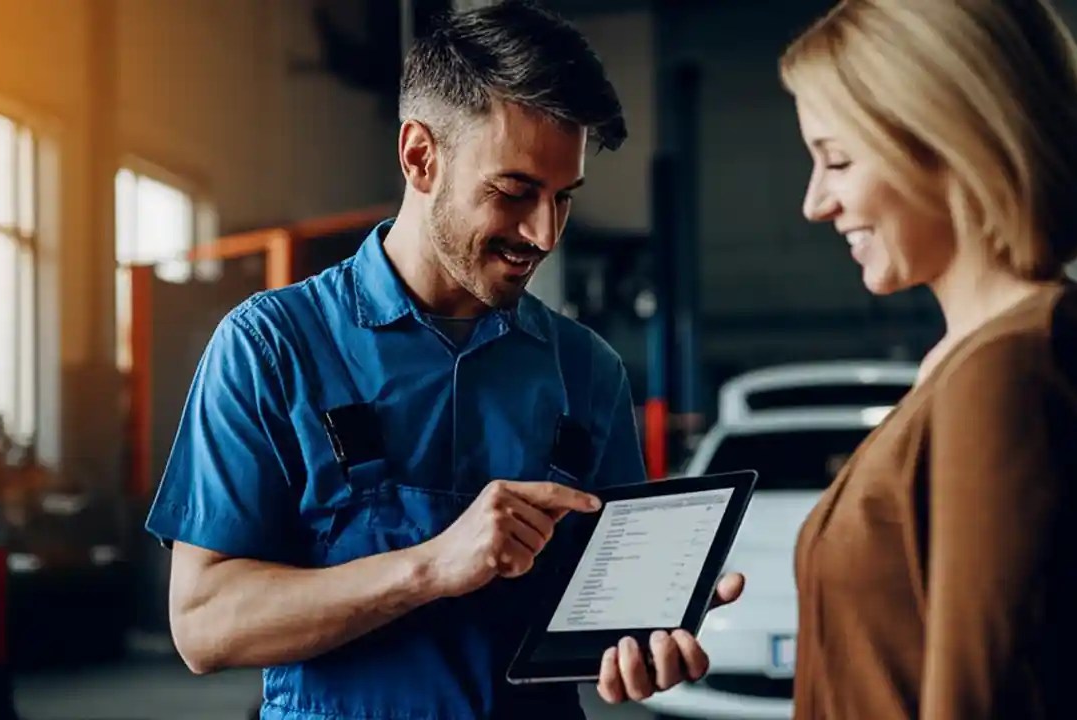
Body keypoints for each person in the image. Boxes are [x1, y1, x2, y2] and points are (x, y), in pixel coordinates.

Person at [145, 1, 742, 718]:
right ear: (420, 157)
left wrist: (645, 630)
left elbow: (596, 611)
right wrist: (431, 567)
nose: (544, 233)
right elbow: (204, 623)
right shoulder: (273, 348)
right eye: (515, 192)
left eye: (563, 198)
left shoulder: (588, 371)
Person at [780, 1, 1077, 718]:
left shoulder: (1010, 372)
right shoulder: (990, 357)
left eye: (838, 159)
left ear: (949, 140)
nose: (815, 202)